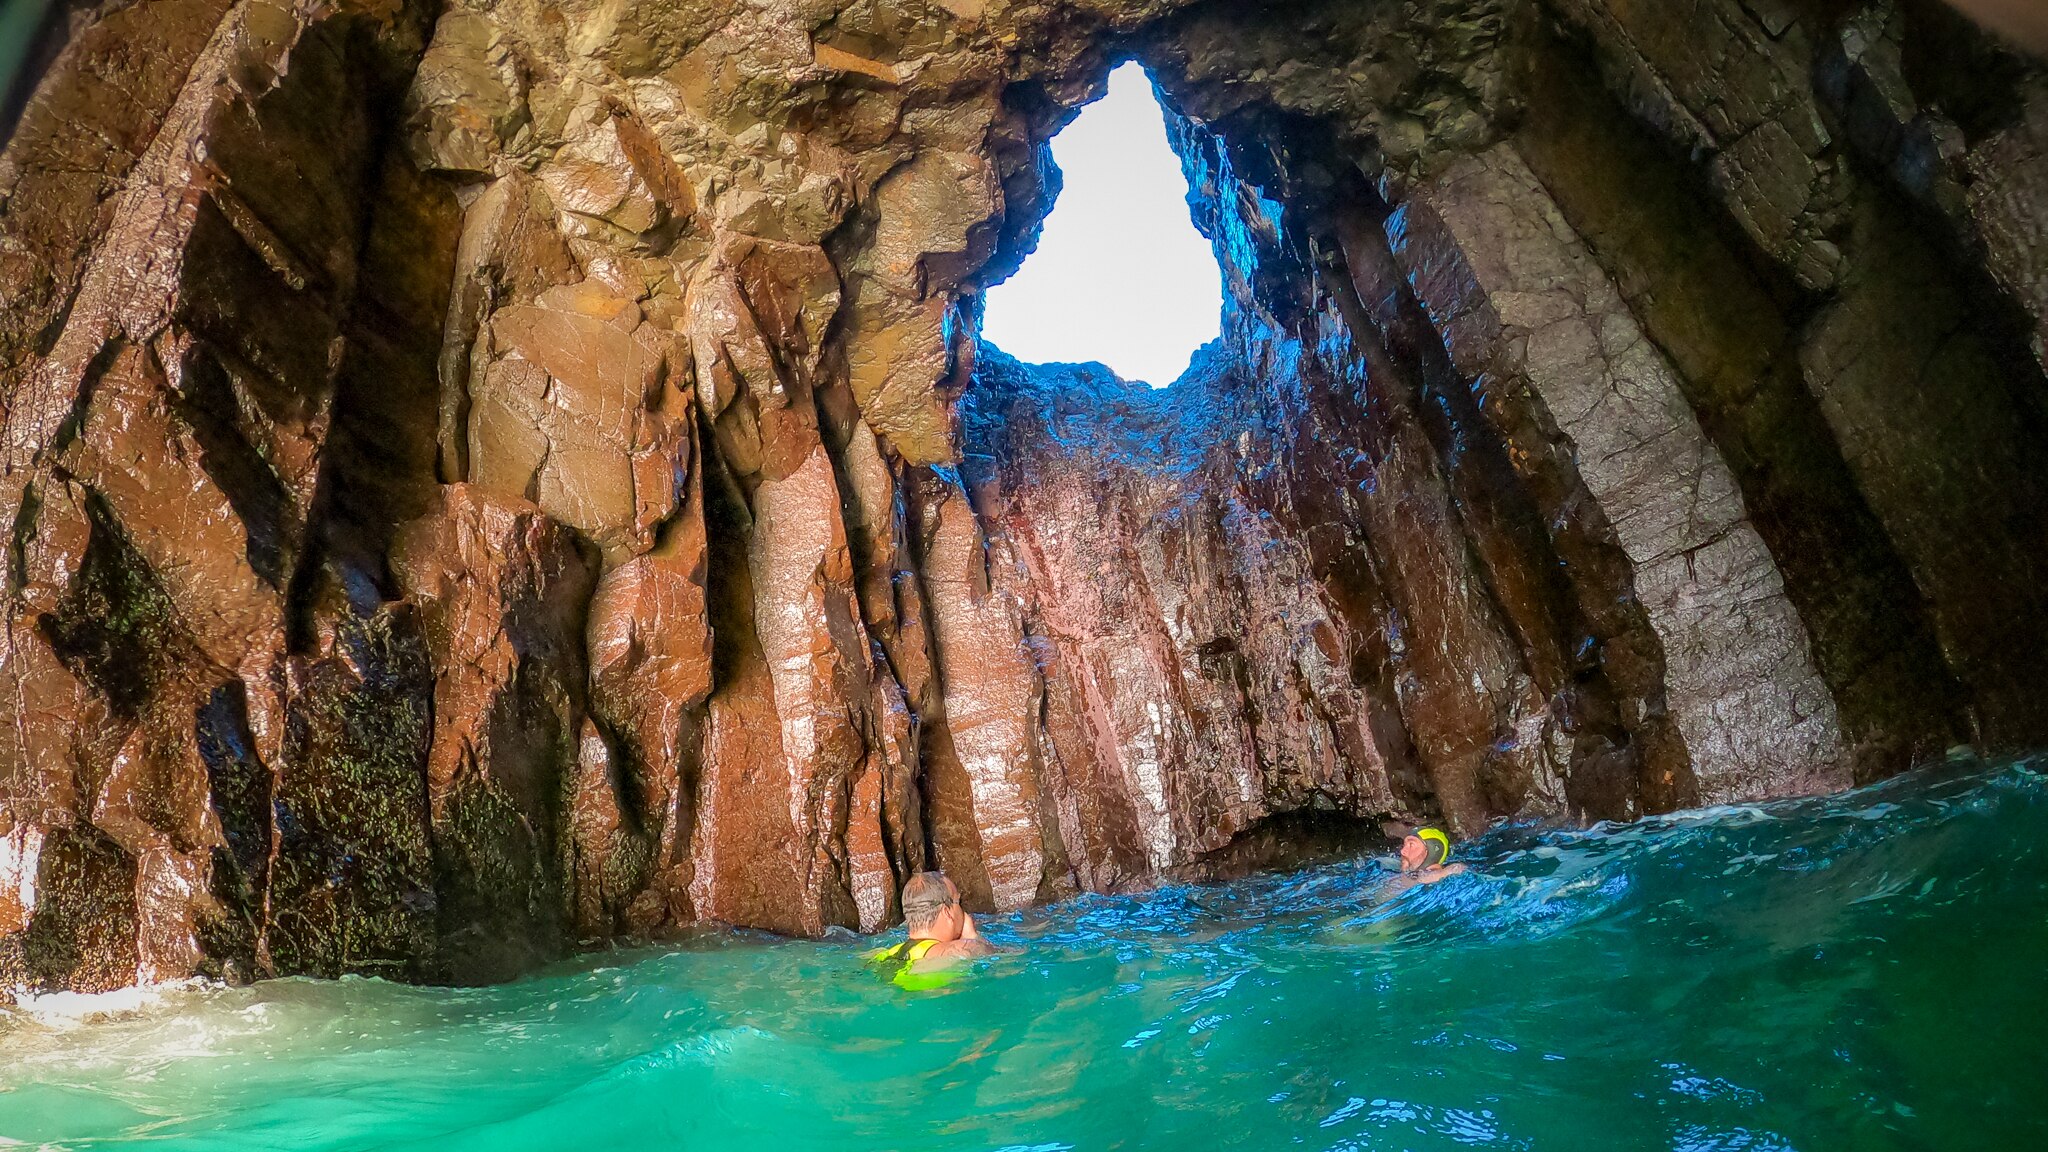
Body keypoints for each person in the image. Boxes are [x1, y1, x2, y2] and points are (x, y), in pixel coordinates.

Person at [868, 871, 995, 989]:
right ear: (947, 912)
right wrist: (972, 937)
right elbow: (993, 956)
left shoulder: (884, 954)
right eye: (959, 903)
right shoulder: (960, 949)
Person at [1395, 826, 1467, 886]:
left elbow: (1458, 869)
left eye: (1411, 845)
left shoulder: (1451, 873)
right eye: (1404, 845)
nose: (1402, 851)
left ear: (1430, 852)